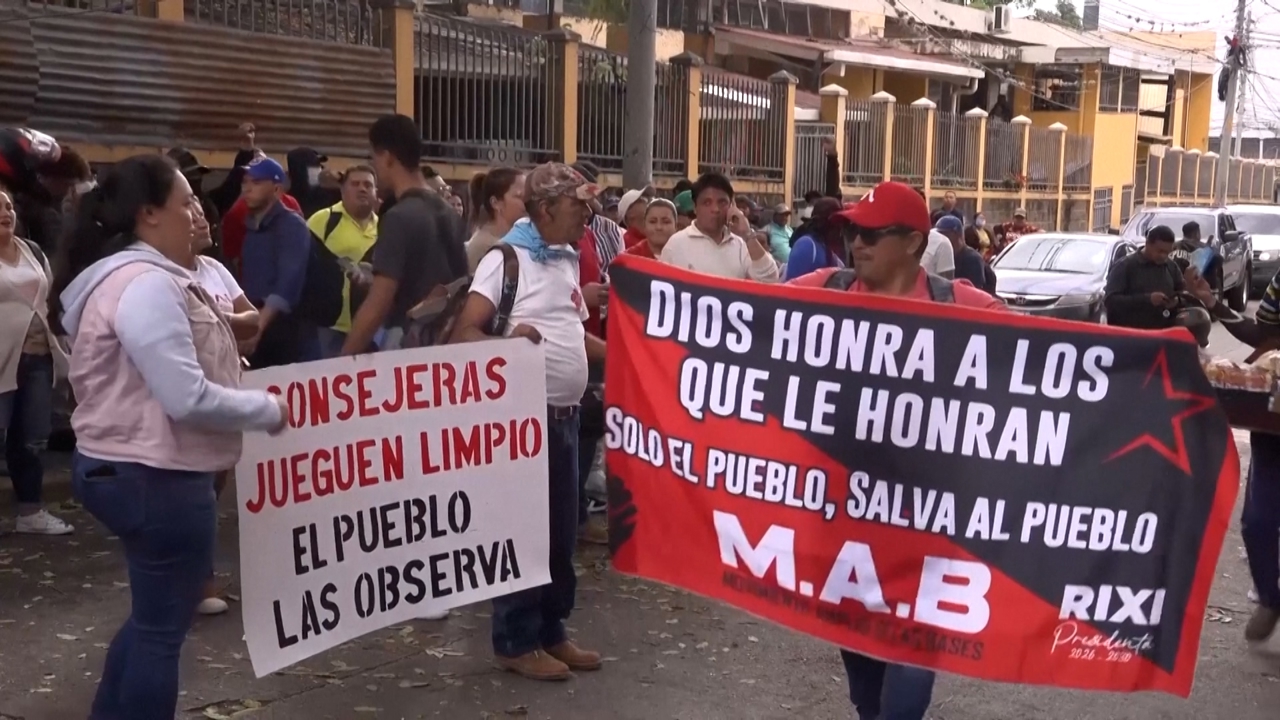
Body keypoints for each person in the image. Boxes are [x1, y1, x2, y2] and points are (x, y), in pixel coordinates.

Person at [50, 154, 287, 720]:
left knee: (154, 617)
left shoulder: (137, 279)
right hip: (156, 476)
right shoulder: (147, 285)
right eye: (185, 203)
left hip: (135, 469)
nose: (195, 214)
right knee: (162, 631)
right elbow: (185, 397)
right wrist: (266, 410)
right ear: (148, 214)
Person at [788, 181, 1002, 720]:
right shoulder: (826, 291)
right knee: (858, 643)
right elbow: (732, 317)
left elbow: (1043, 366)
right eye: (851, 232)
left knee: (913, 644)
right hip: (844, 511)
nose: (856, 243)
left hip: (929, 516)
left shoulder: (963, 304)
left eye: (871, 234)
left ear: (913, 242)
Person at [449, 162, 606, 681]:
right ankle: (515, 639)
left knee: (560, 534)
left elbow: (570, 331)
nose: (587, 214)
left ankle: (551, 630)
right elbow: (464, 336)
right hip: (524, 423)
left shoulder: (563, 259)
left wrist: (632, 357)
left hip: (563, 418)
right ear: (545, 210)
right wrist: (508, 343)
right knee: (524, 535)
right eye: (577, 205)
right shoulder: (507, 260)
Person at [1186, 268, 1280, 643]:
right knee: (1257, 524)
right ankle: (1271, 599)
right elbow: (1260, 335)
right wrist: (1212, 302)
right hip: (1273, 422)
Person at [185, 202, 260, 615]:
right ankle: (199, 583)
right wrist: (229, 319)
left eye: (201, 211)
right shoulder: (165, 278)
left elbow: (252, 318)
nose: (200, 219)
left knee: (212, 490)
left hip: (225, 391)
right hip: (191, 399)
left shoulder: (214, 269)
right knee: (193, 495)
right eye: (189, 210)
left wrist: (219, 318)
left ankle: (198, 577)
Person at [341, 115, 467, 358]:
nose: (376, 167)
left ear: (387, 157)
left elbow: (379, 302)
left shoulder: (399, 217)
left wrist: (342, 360)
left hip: (408, 350)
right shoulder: (449, 213)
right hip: (448, 347)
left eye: (374, 158)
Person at [0, 188, 72, 535]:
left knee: (31, 438)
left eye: (9, 206)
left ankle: (30, 511)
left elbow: (51, 296)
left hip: (39, 356)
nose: (5, 212)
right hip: (2, 360)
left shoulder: (32, 250)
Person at [237, 157, 317, 367]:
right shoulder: (251, 227)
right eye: (245, 182)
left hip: (286, 332)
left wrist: (257, 329)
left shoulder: (291, 225)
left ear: (276, 189)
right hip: (257, 325)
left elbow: (287, 284)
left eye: (256, 182)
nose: (247, 188)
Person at [308, 165, 379, 358]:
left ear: (375, 193)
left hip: (370, 328)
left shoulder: (386, 227)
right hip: (328, 327)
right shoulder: (322, 220)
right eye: (355, 184)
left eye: (368, 185)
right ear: (342, 190)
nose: (362, 189)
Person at [660, 172, 778, 283]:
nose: (715, 209)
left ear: (731, 206)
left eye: (722, 203)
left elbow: (770, 279)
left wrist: (748, 235)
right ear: (695, 208)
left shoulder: (741, 244)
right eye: (707, 203)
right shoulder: (676, 244)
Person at [1103, 225, 1184, 330]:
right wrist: (1147, 300)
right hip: (1131, 334)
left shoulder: (1171, 267)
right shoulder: (1125, 266)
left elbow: (1182, 293)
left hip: (1163, 334)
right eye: (1160, 251)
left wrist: (1176, 301)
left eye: (1167, 253)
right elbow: (1110, 301)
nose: (1163, 256)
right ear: (1147, 244)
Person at [466, 167, 526, 273]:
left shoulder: (519, 239)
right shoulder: (483, 246)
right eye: (519, 196)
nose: (527, 202)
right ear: (495, 203)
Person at [784, 197, 845, 280]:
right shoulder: (807, 245)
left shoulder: (827, 248)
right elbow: (790, 287)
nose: (840, 228)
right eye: (836, 222)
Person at [939, 215, 995, 294]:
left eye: (945, 234)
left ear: (957, 235)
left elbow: (974, 291)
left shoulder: (972, 259)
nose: (941, 238)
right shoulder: (944, 255)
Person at [286, 147, 340, 219]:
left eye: (319, 165)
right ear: (300, 170)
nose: (320, 169)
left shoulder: (333, 194)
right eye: (314, 165)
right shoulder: (286, 200)